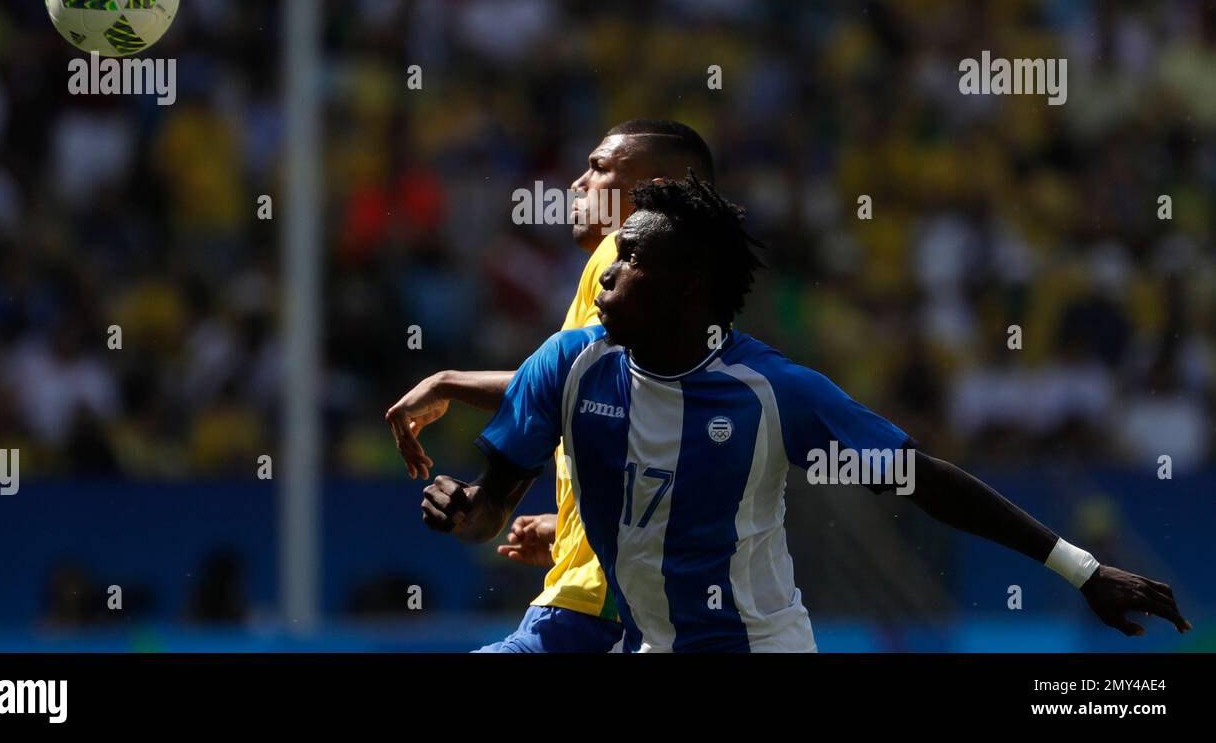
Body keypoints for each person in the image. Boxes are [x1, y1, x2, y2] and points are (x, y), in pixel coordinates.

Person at [420, 174, 1190, 652]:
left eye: (630, 262)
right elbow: (489, 514)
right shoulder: (566, 365)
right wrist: (462, 511)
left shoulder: (772, 393)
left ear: (687, 288)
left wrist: (1079, 567)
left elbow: (920, 480)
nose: (607, 275)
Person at [386, 119, 714, 652]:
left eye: (600, 169)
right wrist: (571, 532)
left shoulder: (621, 260)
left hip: (601, 611)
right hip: (617, 600)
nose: (577, 185)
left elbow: (572, 378)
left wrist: (448, 382)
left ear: (656, 193)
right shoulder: (683, 288)